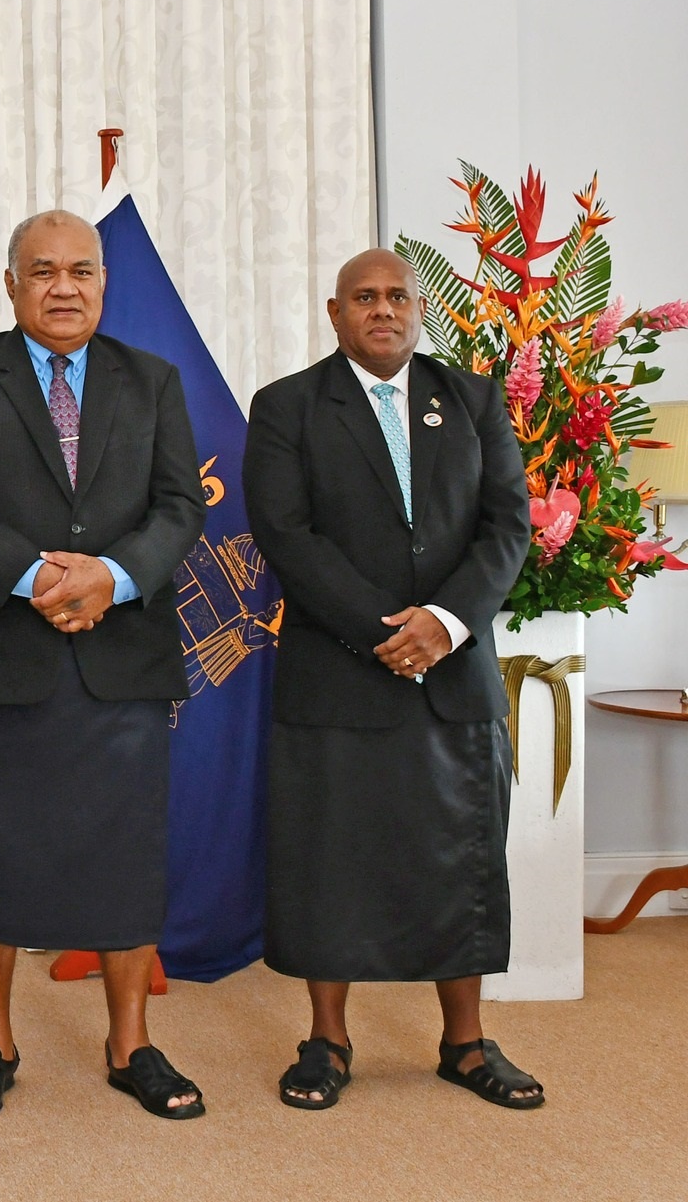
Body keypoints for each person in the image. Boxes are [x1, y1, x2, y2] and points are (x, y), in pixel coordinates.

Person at [0, 209, 207, 1121]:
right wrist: (36, 574)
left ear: (104, 283)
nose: (64, 286)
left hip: (121, 657)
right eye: (43, 270)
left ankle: (131, 1042)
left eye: (81, 269)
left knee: (124, 859)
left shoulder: (152, 380)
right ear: (11, 284)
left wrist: (112, 578)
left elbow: (179, 505)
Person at [244, 248, 539, 1111]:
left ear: (421, 310)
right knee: (328, 860)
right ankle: (328, 1041)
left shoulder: (475, 398)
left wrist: (443, 624)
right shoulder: (288, 406)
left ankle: (466, 1042)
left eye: (398, 296)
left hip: (454, 672)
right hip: (337, 671)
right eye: (364, 297)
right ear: (334, 313)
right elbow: (286, 535)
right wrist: (387, 629)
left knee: (465, 856)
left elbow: (508, 524)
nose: (383, 309)